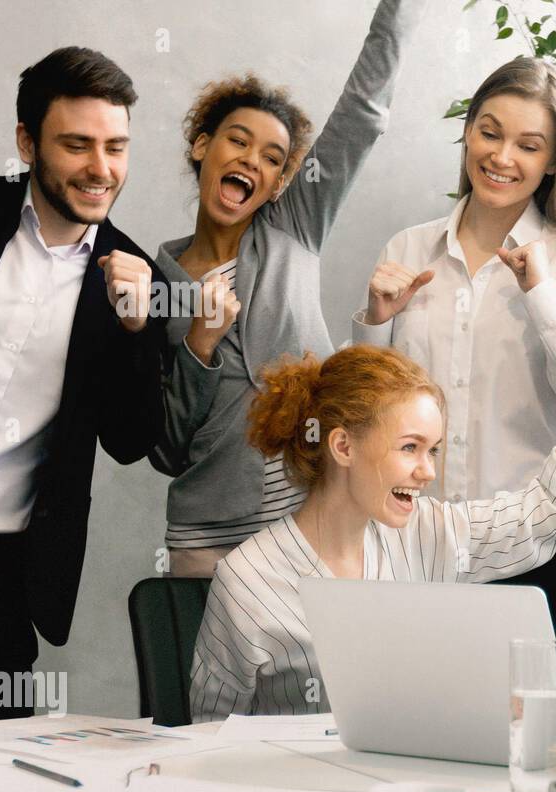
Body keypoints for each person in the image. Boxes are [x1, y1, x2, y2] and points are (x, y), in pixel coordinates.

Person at [187, 251, 556, 722]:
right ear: (342, 446)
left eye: (433, 450)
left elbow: (543, 513)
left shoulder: (426, 533)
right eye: (410, 448)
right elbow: (208, 735)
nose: (428, 472)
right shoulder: (248, 582)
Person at [352, 57, 556, 679]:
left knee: (526, 761)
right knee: (403, 751)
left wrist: (542, 294)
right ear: (467, 131)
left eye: (529, 145)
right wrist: (373, 321)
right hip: (412, 550)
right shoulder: (407, 250)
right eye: (490, 132)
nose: (502, 157)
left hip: (531, 564)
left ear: (554, 160)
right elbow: (368, 413)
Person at [151, 0, 424, 578]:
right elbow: (165, 450)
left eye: (272, 158)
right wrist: (200, 346)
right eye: (237, 142)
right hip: (208, 540)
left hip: (314, 526)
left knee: (327, 671)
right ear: (202, 146)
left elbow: (363, 114)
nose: (252, 160)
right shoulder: (153, 286)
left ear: (279, 182)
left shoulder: (294, 226)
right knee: (209, 673)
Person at [0, 47, 164, 721]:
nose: (101, 169)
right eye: (77, 144)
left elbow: (133, 440)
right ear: (27, 141)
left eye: (116, 147)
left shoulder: (136, 278)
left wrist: (138, 331)